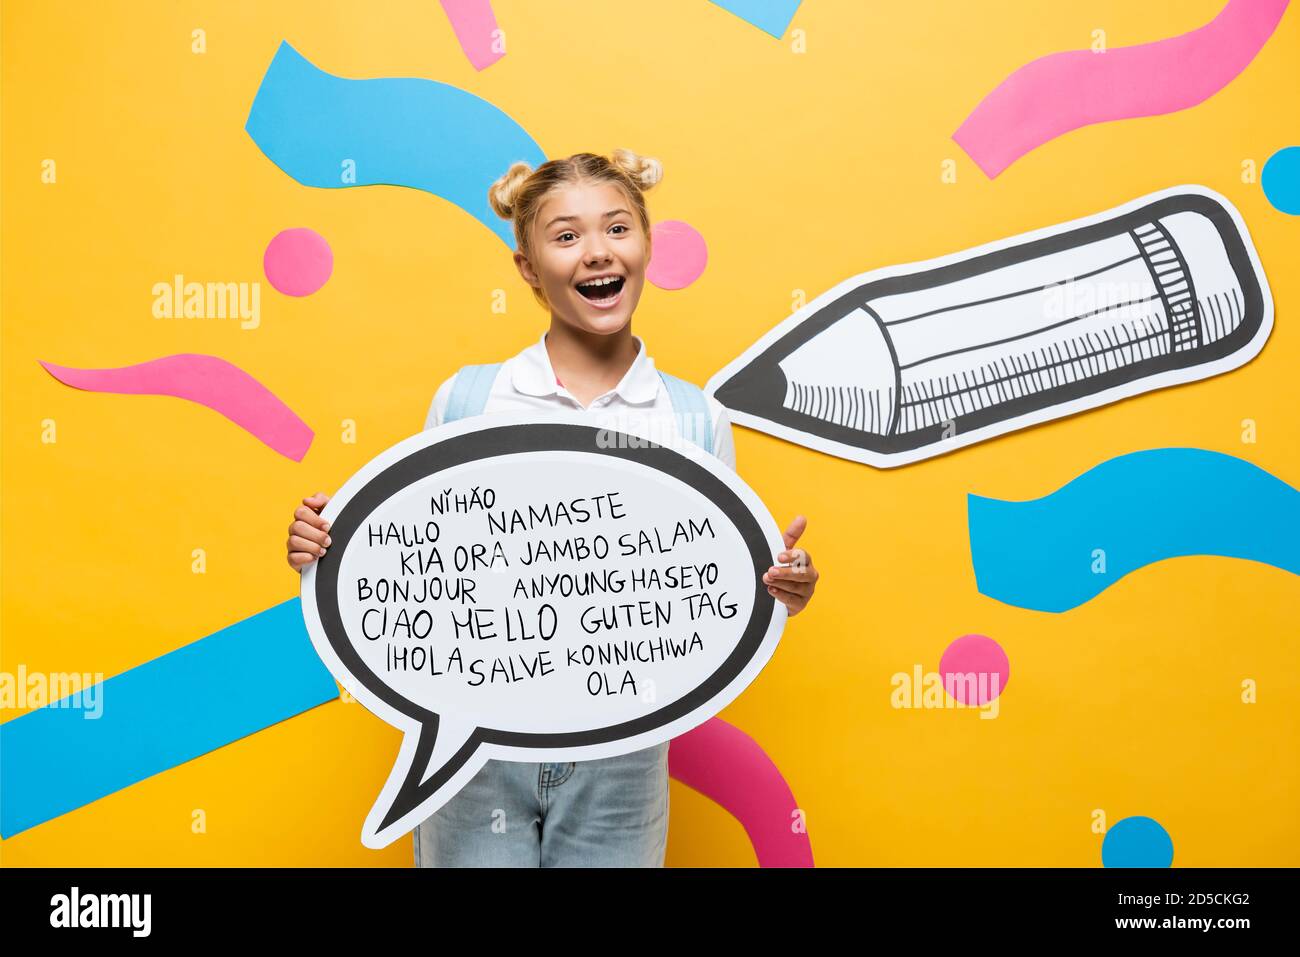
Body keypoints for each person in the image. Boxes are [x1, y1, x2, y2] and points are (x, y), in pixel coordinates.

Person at [285, 149, 820, 866]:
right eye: (566, 236)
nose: (597, 251)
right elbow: (420, 558)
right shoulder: (470, 400)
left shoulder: (693, 420)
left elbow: (713, 591)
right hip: (476, 750)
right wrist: (330, 549)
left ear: (647, 243)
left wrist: (781, 586)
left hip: (624, 756)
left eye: (618, 228)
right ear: (528, 268)